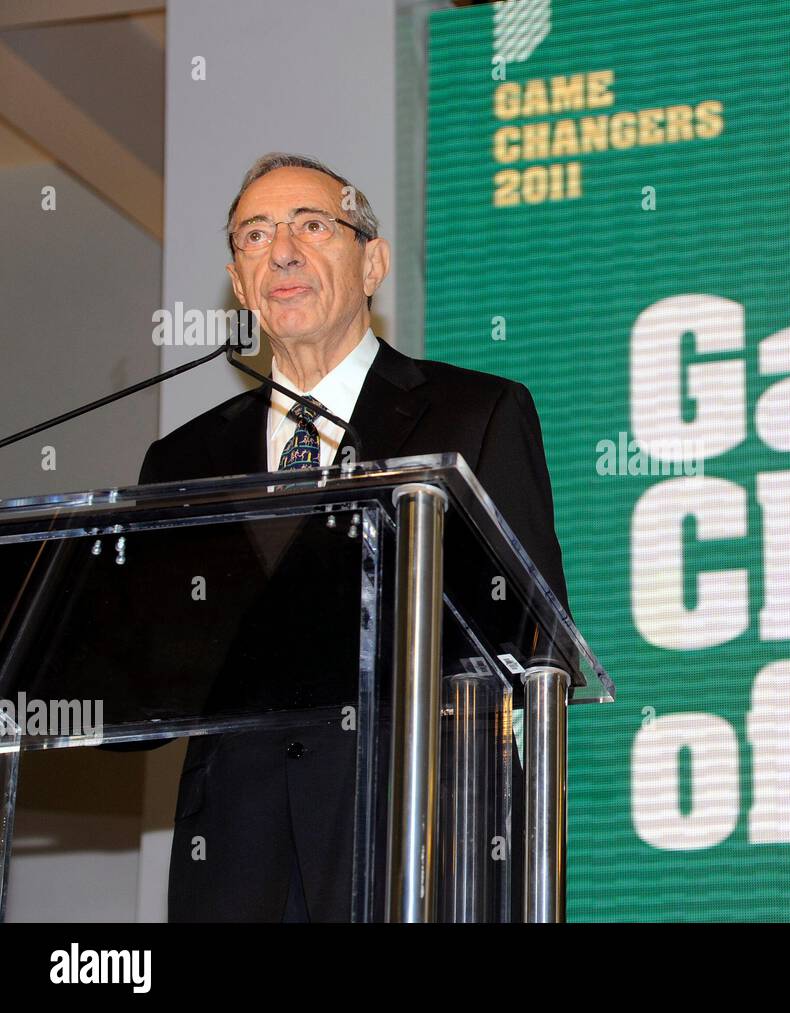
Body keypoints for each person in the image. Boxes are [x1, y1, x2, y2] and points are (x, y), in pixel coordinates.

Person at [139, 152, 566, 921]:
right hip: (238, 862)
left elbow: (534, 647)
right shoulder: (182, 460)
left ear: (373, 261)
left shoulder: (475, 414)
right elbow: (142, 679)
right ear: (240, 285)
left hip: (421, 841)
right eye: (255, 234)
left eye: (312, 224)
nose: (284, 251)